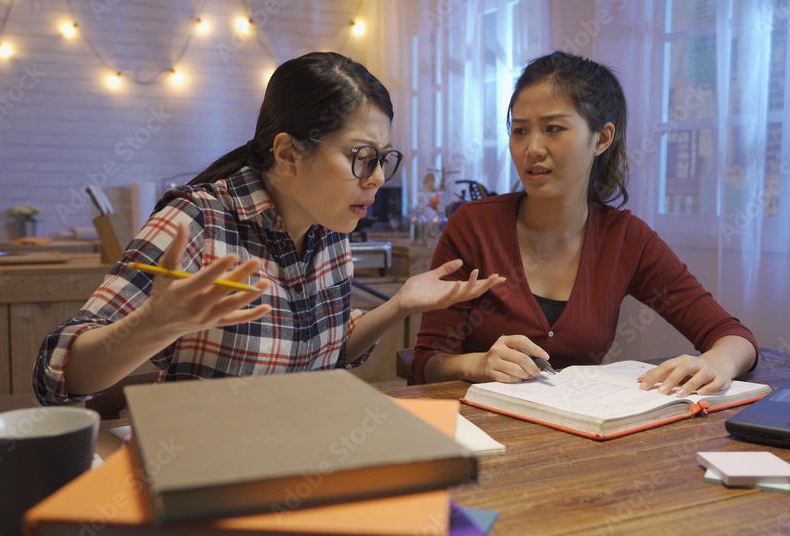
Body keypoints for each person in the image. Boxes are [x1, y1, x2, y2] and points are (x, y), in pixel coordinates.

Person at [34, 52, 503, 405]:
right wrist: (153, 325)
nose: (377, 176)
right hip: (205, 465)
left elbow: (327, 349)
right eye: (362, 156)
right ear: (287, 153)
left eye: (383, 159)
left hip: (299, 454)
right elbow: (58, 375)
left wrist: (399, 303)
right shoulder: (199, 219)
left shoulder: (329, 230)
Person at [411, 51, 758, 397]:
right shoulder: (474, 226)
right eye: (519, 131)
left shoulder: (625, 239)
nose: (532, 148)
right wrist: (478, 364)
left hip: (580, 439)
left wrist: (718, 363)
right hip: (479, 433)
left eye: (553, 129)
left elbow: (733, 336)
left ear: (602, 139)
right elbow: (426, 362)